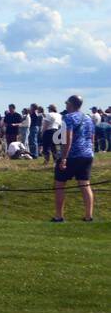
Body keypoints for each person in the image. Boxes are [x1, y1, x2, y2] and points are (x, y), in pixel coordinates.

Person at [53, 94, 95, 222]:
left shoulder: (68, 117)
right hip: (87, 154)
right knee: (85, 184)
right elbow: (92, 138)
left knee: (60, 184)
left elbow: (67, 138)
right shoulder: (88, 118)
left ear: (70, 104)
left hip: (72, 155)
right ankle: (88, 216)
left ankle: (59, 216)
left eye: (67, 103)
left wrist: (64, 158)